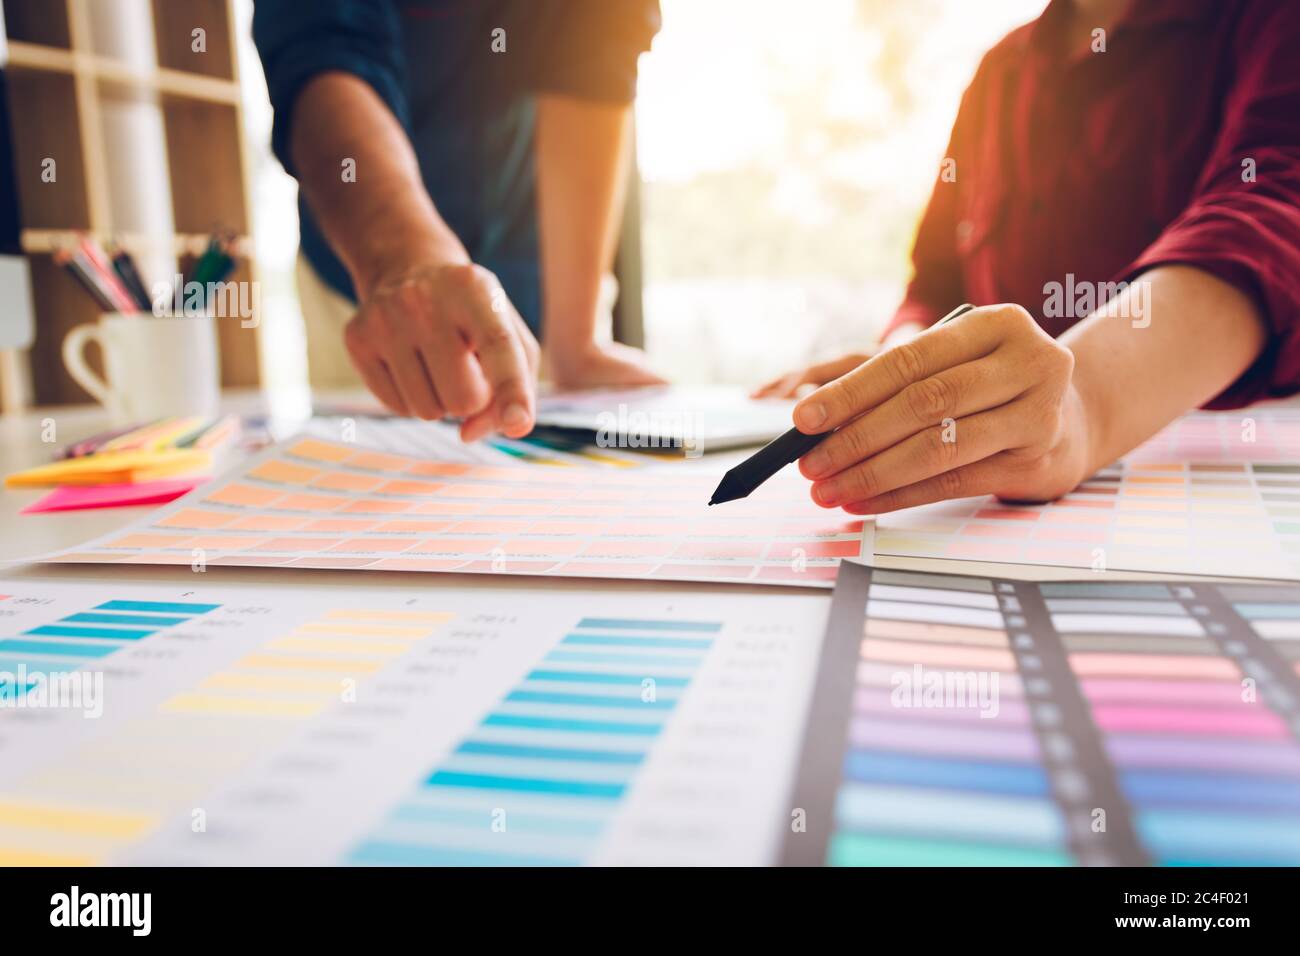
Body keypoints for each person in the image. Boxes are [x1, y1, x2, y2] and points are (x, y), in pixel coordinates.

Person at [756, 0, 1300, 515]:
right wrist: (908, 369)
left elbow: (1273, 207)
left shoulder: (1269, 21)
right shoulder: (1000, 72)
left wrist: (1078, 407)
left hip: (1217, 497)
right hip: (991, 492)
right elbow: (937, 282)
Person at [253, 0, 664, 441]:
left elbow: (595, 56)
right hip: (360, 283)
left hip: (547, 272)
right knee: (374, 480)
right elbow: (319, 50)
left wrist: (575, 340)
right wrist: (403, 261)